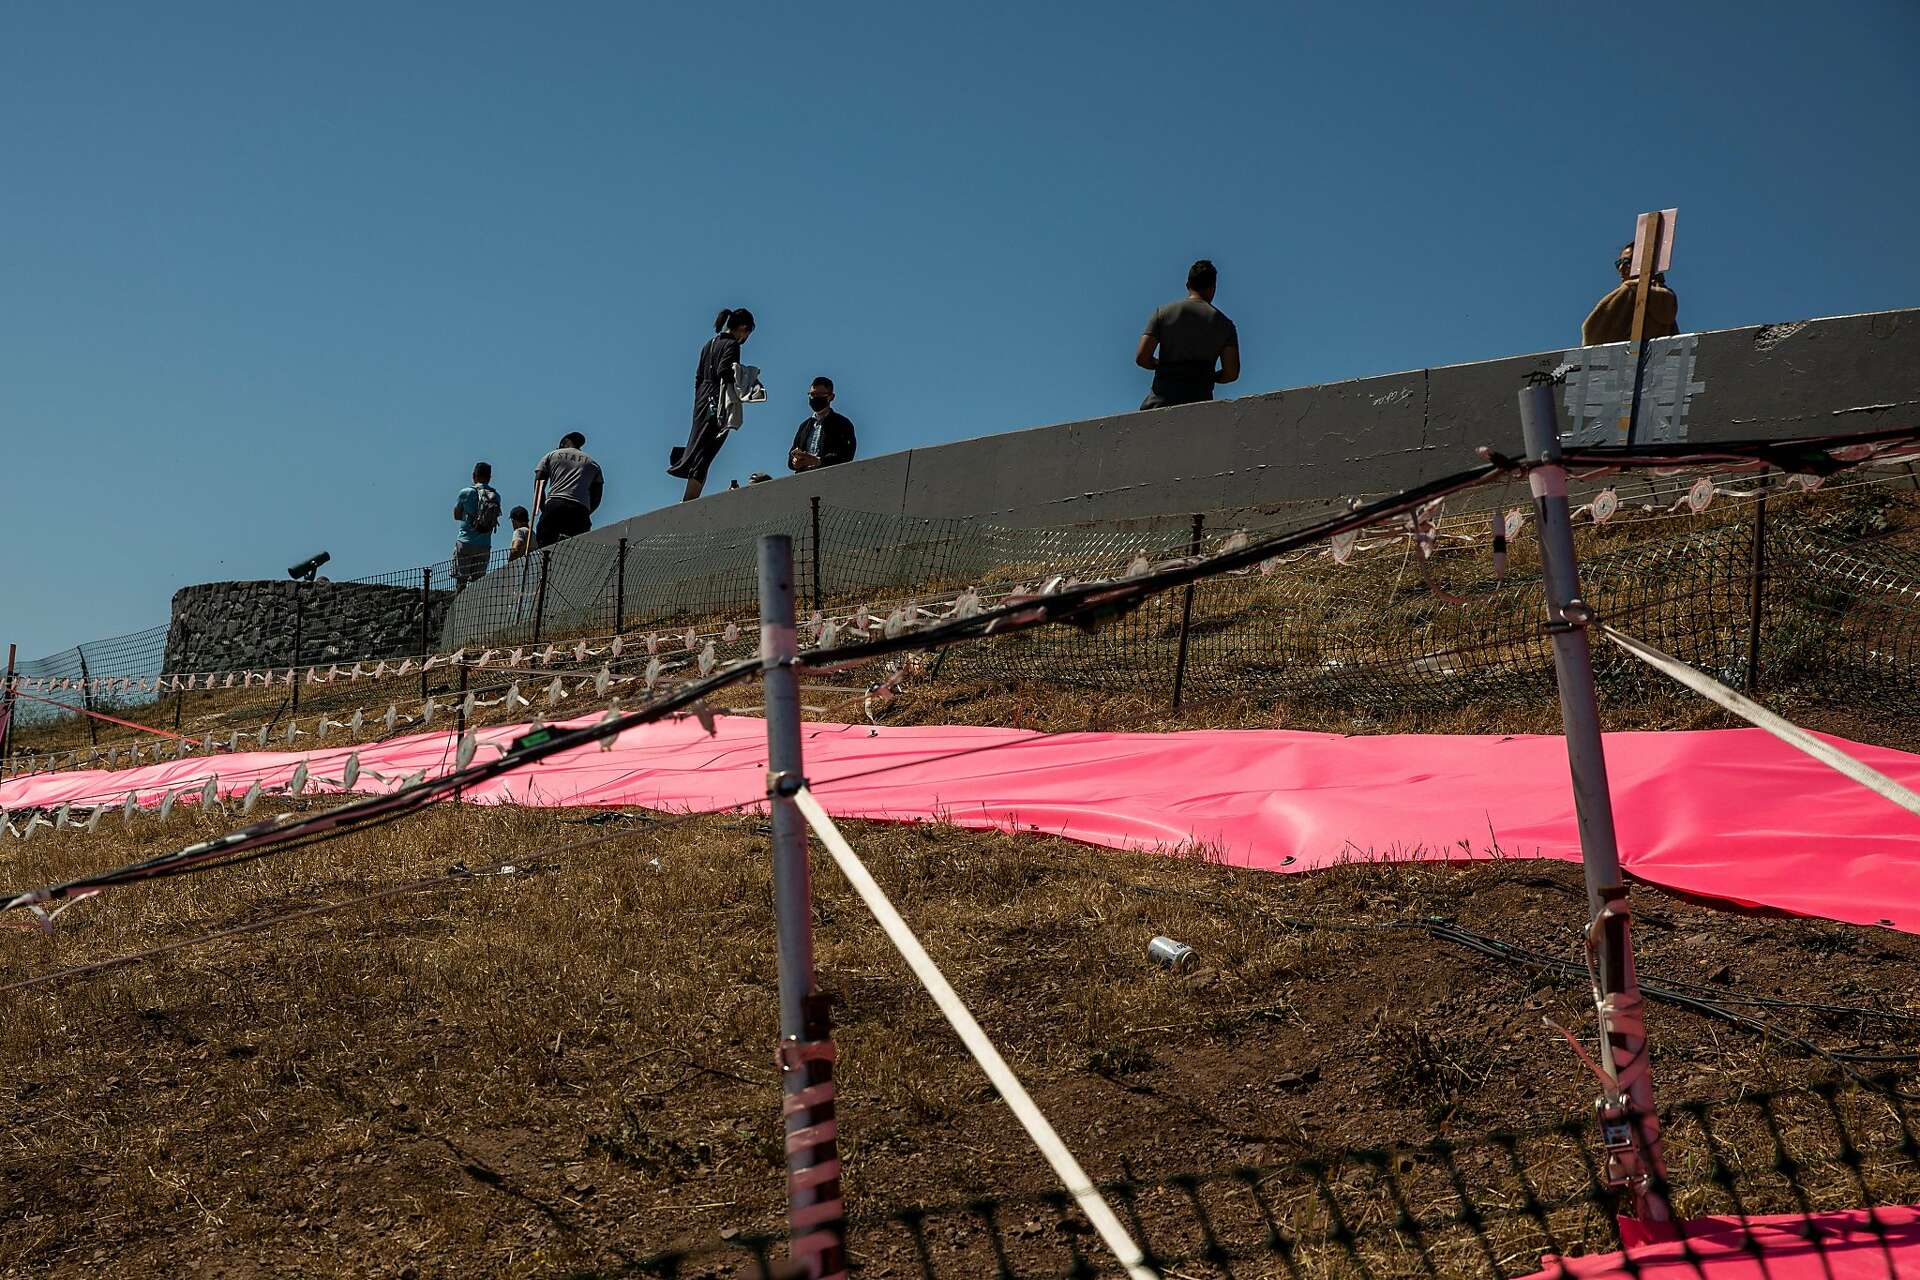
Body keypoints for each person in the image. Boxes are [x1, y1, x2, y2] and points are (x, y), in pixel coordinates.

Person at [670, 307, 758, 501]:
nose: (746, 338)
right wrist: (745, 384)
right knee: (706, 452)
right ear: (743, 328)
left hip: (702, 399)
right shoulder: (732, 345)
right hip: (718, 401)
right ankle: (690, 498)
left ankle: (688, 494)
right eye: (747, 333)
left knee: (698, 445)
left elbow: (698, 377)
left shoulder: (709, 344)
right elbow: (725, 370)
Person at [1135, 259, 1240, 411]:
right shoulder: (1225, 325)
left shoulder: (1163, 313)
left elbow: (1142, 357)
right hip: (1199, 405)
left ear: (1188, 285)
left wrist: (1162, 365)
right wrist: (1210, 376)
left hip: (1160, 403)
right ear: (1213, 288)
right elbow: (1231, 372)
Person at [1581, 241, 1680, 344]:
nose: (1621, 268)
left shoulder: (1629, 290)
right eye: (1619, 263)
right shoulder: (1668, 302)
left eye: (1627, 262)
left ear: (1644, 262)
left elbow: (1592, 335)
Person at [532, 431, 603, 548]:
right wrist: (586, 511)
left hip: (555, 505)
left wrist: (543, 508)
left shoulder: (552, 455)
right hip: (580, 511)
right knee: (574, 552)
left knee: (545, 548)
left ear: (564, 442)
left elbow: (539, 482)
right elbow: (597, 496)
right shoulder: (593, 463)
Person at [450, 461, 502, 589]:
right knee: (478, 584)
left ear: (474, 475)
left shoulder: (466, 493)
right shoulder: (496, 496)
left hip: (465, 542)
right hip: (484, 544)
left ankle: (459, 607)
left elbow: (456, 515)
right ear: (489, 478)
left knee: (461, 581)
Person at [788, 376, 857, 472]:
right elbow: (791, 455)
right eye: (812, 394)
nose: (814, 398)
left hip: (830, 479)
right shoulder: (804, 426)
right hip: (803, 480)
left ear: (831, 397)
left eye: (819, 395)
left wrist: (818, 461)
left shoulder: (842, 424)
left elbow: (847, 455)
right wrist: (794, 461)